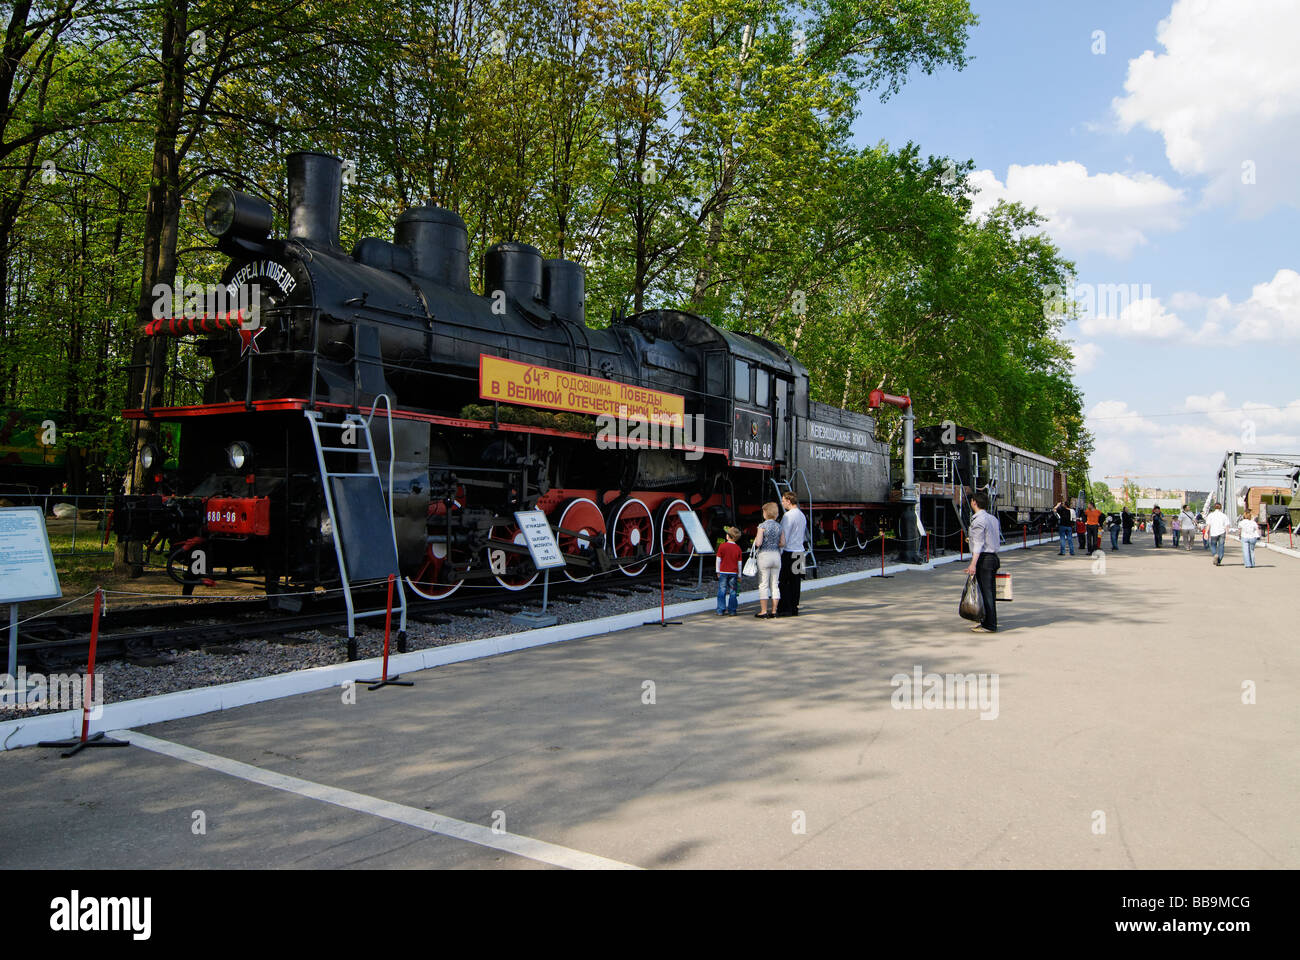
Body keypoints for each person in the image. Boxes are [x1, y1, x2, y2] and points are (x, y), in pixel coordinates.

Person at [964, 491, 1001, 633]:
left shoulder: (978, 520)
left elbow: (979, 544)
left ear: (974, 502)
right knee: (989, 592)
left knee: (986, 593)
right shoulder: (992, 519)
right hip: (993, 557)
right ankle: (987, 621)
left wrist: (973, 564)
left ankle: (989, 625)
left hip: (984, 559)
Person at [776, 491, 806, 616]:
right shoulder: (801, 515)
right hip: (800, 552)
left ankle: (784, 607)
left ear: (788, 501)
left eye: (783, 501)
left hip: (789, 552)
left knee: (784, 581)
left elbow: (784, 536)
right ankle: (794, 607)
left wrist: (779, 552)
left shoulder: (788, 516)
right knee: (796, 582)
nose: (782, 503)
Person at [752, 503, 784, 618]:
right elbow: (783, 543)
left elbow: (758, 543)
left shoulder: (762, 526)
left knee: (763, 584)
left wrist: (757, 540)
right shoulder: (779, 526)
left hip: (765, 556)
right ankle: (774, 611)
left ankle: (764, 611)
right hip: (776, 556)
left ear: (765, 513)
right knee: (775, 584)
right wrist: (774, 543)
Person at [715, 526, 742, 615]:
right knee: (733, 591)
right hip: (733, 573)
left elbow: (718, 559)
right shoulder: (738, 548)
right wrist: (739, 575)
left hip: (723, 572)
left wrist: (717, 571)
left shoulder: (722, 546)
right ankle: (732, 610)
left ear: (727, 536)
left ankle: (720, 610)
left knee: (721, 591)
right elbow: (739, 564)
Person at [1205, 502, 1229, 566]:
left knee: (1213, 545)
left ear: (1214, 507)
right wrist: (1227, 534)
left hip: (1213, 532)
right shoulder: (1224, 515)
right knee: (1221, 546)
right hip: (1222, 532)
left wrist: (1206, 533)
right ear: (1220, 507)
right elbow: (1226, 526)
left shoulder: (1210, 515)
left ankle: (1215, 554)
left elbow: (1208, 525)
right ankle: (1219, 560)